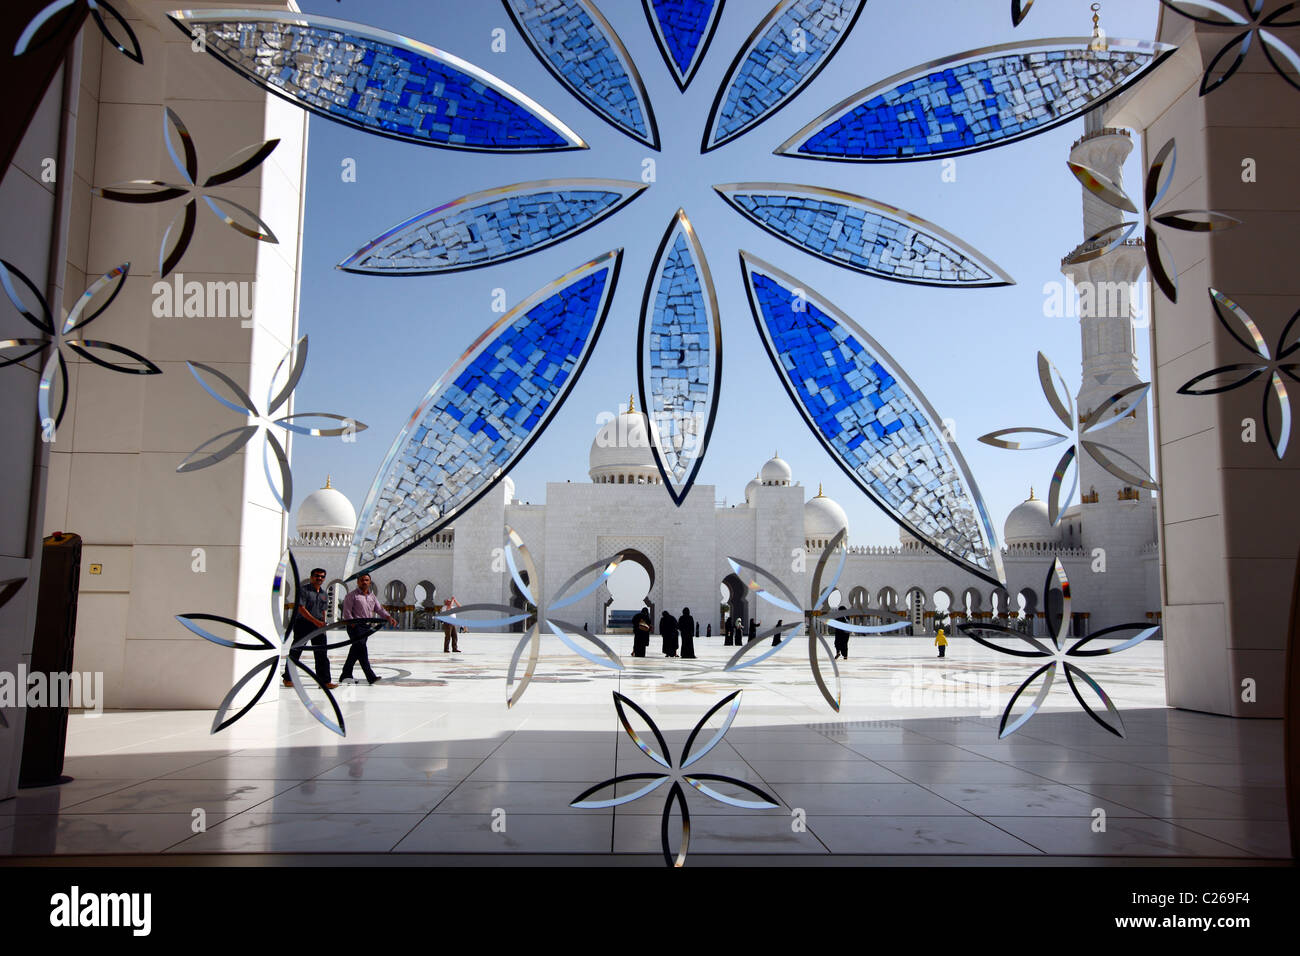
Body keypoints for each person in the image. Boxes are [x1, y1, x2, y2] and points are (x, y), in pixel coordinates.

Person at [284, 568, 335, 689]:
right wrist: (315, 621)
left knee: (321, 653)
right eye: (317, 576)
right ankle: (288, 678)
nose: (319, 578)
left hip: (318, 626)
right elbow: (301, 608)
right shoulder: (303, 590)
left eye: (322, 576)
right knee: (296, 651)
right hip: (303, 624)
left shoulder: (324, 594)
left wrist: (322, 624)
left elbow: (323, 610)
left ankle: (324, 681)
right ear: (311, 577)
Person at [341, 573, 396, 684]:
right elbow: (347, 612)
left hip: (366, 627)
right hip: (355, 627)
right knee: (361, 649)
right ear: (358, 582)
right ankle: (370, 676)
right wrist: (353, 624)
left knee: (356, 650)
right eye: (362, 580)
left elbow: (379, 609)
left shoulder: (372, 596)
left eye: (366, 580)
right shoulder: (352, 595)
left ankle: (345, 674)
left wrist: (388, 617)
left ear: (370, 582)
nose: (364, 582)